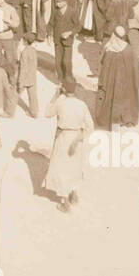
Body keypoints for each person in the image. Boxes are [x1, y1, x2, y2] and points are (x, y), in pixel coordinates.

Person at [43, 78, 93, 213]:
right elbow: (90, 127)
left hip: (63, 138)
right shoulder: (82, 104)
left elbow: (47, 113)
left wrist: (55, 96)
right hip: (77, 138)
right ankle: (74, 193)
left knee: (61, 169)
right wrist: (77, 140)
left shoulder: (61, 103)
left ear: (63, 89)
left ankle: (64, 203)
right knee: (75, 167)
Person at [95, 26, 139, 129]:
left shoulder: (108, 49)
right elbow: (135, 67)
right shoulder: (128, 49)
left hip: (111, 81)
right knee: (126, 100)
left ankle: (112, 123)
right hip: (126, 82)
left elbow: (103, 66)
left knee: (111, 101)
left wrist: (102, 80)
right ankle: (126, 120)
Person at [17, 31, 40, 117]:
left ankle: (9, 110)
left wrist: (20, 81)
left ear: (25, 41)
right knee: (33, 96)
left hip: (25, 78)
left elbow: (23, 68)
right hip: (32, 77)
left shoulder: (24, 52)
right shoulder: (33, 50)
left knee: (16, 93)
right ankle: (34, 112)